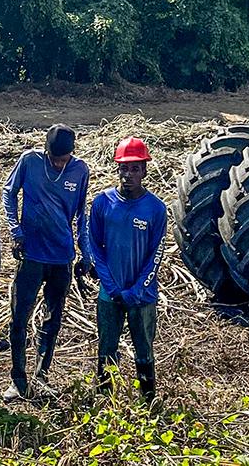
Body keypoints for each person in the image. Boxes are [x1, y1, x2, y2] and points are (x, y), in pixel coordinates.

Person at [1, 123, 90, 401]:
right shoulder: (30, 161)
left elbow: (81, 215)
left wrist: (85, 252)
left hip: (61, 256)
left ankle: (42, 375)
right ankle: (18, 378)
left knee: (53, 317)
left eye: (63, 159)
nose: (58, 163)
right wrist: (16, 231)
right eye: (53, 158)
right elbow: (8, 193)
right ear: (45, 150)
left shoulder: (80, 170)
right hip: (32, 254)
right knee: (19, 317)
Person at [87, 136, 167, 403]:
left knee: (144, 351)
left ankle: (148, 403)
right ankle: (105, 402)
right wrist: (111, 287)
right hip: (109, 295)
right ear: (117, 169)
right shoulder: (102, 203)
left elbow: (156, 255)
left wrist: (136, 290)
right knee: (106, 350)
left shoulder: (156, 209)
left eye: (135, 168)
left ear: (144, 170)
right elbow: (95, 247)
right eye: (124, 168)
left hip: (142, 297)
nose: (128, 174)